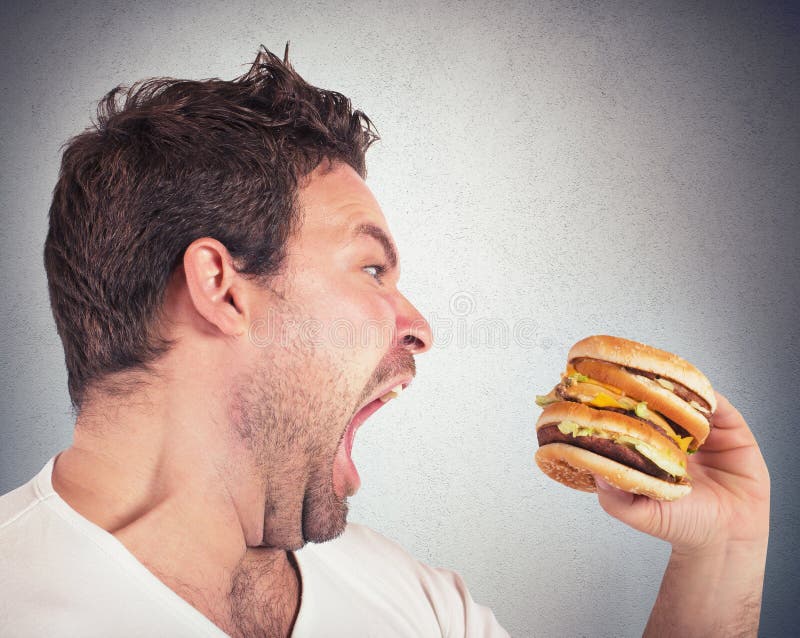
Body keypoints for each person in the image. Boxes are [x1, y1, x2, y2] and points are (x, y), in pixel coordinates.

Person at [0, 47, 769, 637]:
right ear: (222, 287)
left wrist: (724, 550)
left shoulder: (420, 607)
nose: (420, 327)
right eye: (371, 268)